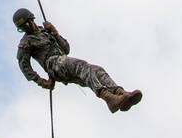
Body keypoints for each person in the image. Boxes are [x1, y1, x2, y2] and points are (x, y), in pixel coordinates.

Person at [14, 7, 142, 113]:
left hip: (63, 61)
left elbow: (66, 49)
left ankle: (120, 94)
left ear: (31, 20)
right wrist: (40, 81)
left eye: (26, 24)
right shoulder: (26, 42)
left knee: (97, 70)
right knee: (82, 66)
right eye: (22, 28)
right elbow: (23, 65)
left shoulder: (45, 31)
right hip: (53, 65)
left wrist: (55, 33)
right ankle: (109, 98)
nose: (26, 28)